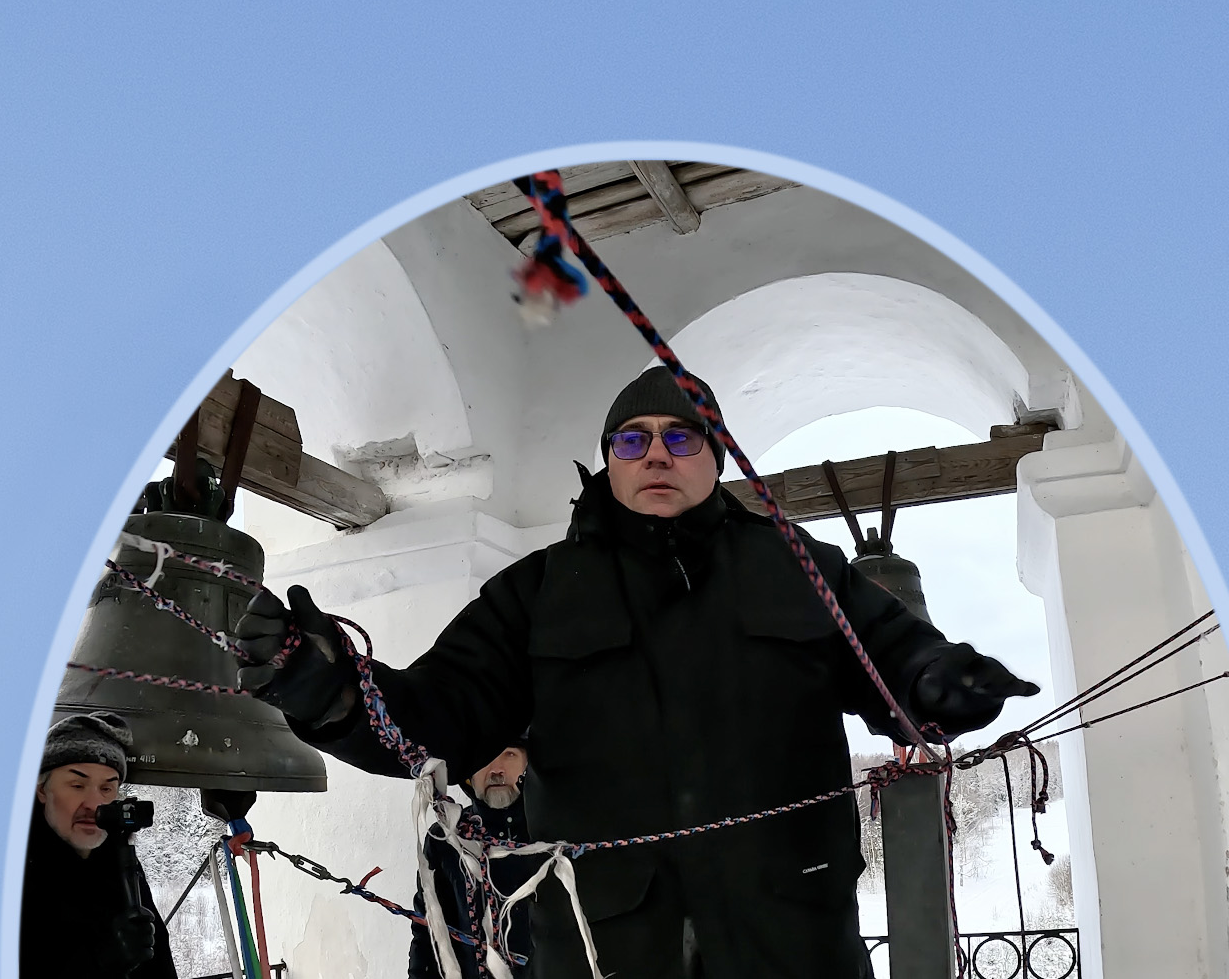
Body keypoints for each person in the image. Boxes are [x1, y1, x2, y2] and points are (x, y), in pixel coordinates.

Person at [234, 367, 1039, 979]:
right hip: (603, 945)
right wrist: (315, 679)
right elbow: (437, 719)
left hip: (792, 938)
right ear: (610, 460)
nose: (656, 453)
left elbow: (895, 660)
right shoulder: (539, 590)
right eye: (633, 439)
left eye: (681, 437)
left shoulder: (801, 567)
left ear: (716, 456)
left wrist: (944, 686)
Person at [21, 712, 178, 979]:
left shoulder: (121, 864)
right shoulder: (12, 878)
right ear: (42, 790)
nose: (94, 804)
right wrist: (100, 963)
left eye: (107, 789)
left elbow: (159, 963)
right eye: (77, 784)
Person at [409, 744, 535, 979]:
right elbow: (429, 933)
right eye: (484, 758)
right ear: (468, 774)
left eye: (509, 755)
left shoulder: (556, 838)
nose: (496, 769)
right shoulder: (445, 840)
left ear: (528, 764)